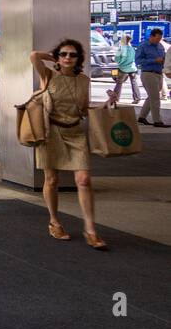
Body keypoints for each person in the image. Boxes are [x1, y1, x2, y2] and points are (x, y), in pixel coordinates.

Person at [30, 40, 108, 250]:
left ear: (79, 59)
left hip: (75, 131)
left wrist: (103, 106)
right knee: (52, 179)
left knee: (83, 179)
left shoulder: (84, 81)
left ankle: (90, 230)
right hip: (50, 132)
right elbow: (34, 55)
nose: (67, 58)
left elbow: (83, 109)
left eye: (72, 55)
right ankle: (54, 221)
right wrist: (52, 55)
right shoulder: (49, 76)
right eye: (63, 54)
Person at [135, 28, 167, 127]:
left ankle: (142, 117)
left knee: (152, 96)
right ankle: (157, 120)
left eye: (160, 39)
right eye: (157, 38)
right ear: (151, 36)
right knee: (155, 98)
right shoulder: (143, 46)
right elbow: (138, 61)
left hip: (158, 73)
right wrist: (154, 60)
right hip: (148, 73)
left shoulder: (160, 46)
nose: (158, 41)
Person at [114, 33, 140, 103]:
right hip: (132, 68)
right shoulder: (132, 49)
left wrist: (116, 60)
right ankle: (137, 98)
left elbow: (117, 59)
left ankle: (115, 98)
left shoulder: (121, 48)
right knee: (134, 82)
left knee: (119, 82)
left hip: (123, 68)